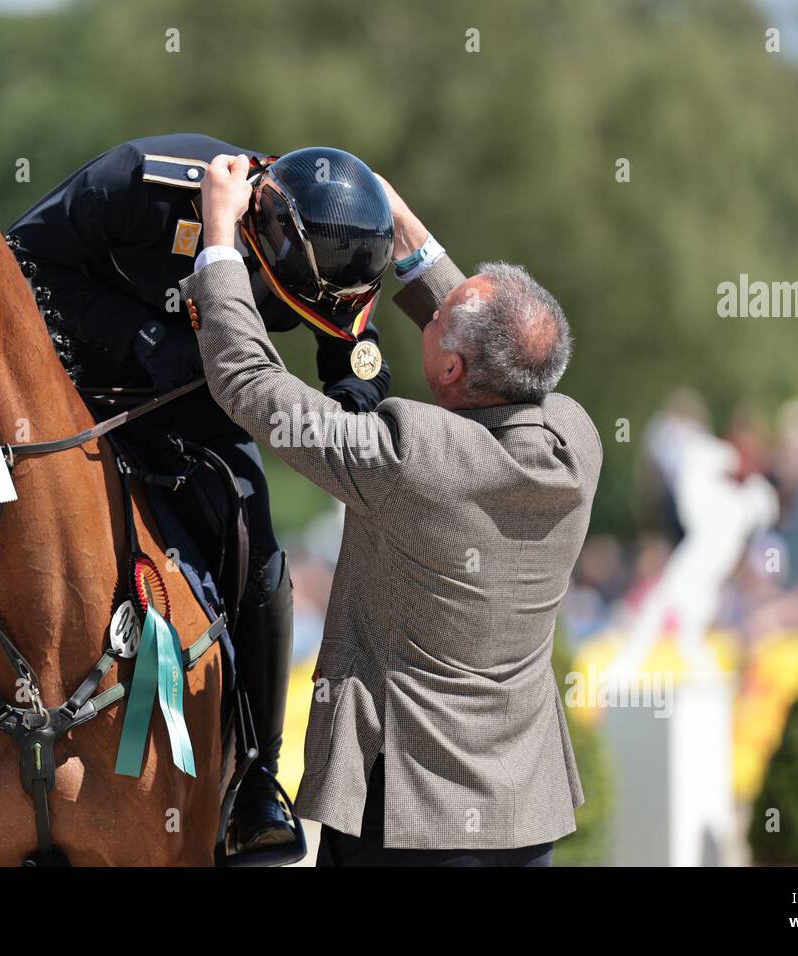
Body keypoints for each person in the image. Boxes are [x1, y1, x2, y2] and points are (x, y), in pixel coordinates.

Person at [0, 135, 395, 859]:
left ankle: (253, 781)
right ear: (267, 225)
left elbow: (354, 360)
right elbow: (17, 267)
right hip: (66, 385)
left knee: (262, 550)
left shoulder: (343, 247)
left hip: (197, 407)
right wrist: (146, 337)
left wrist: (351, 412)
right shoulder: (142, 185)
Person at [181, 154, 602, 865]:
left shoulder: (412, 458)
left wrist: (218, 238)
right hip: (522, 816)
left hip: (405, 818)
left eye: (436, 319)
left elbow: (247, 381)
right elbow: (496, 341)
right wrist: (395, 218)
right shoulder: (575, 439)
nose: (429, 316)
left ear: (451, 373)